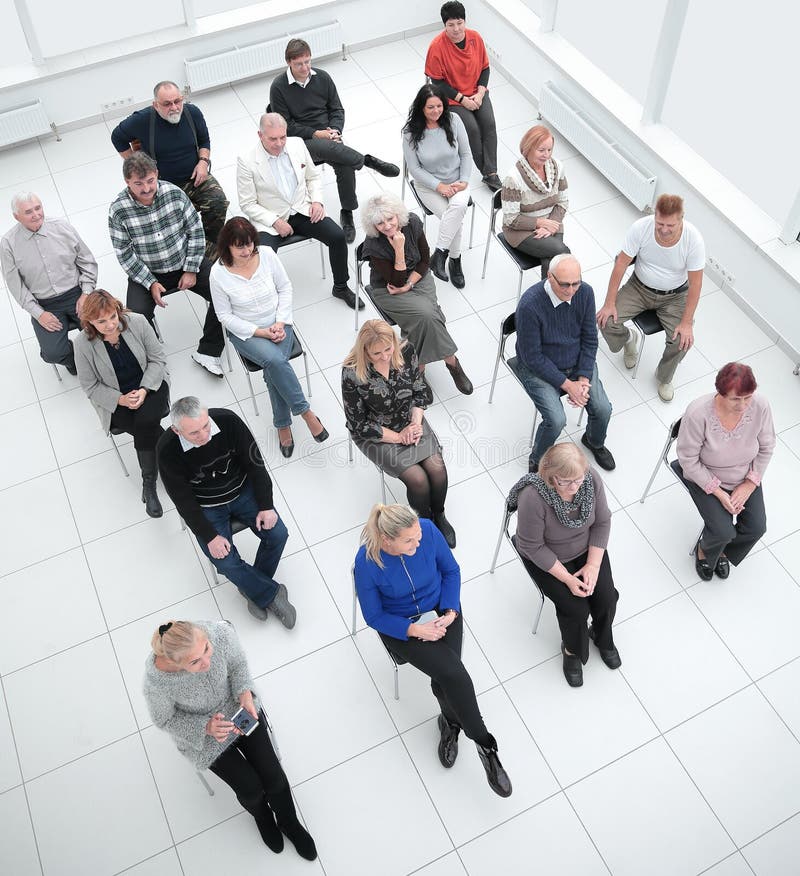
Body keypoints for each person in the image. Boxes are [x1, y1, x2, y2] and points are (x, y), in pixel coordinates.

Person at [355, 503, 512, 796]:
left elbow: (451, 570)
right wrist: (416, 630)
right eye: (410, 541)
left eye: (418, 536)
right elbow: (373, 616)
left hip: (443, 609)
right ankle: (485, 745)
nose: (419, 542)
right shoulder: (367, 563)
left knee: (445, 682)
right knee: (455, 675)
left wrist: (451, 612)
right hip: (403, 626)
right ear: (388, 540)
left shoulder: (426, 529)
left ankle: (450, 723)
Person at [143, 620, 316, 860]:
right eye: (195, 662)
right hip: (208, 735)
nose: (207, 661)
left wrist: (244, 691)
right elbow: (164, 720)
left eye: (206, 649)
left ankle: (288, 822)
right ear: (175, 663)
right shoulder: (157, 683)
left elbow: (237, 665)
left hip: (238, 708)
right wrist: (205, 726)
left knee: (273, 776)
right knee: (251, 788)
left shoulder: (220, 634)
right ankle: (263, 817)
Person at [157, 397, 297, 626]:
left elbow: (256, 464)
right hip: (206, 506)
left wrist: (265, 505)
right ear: (176, 430)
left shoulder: (228, 421)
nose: (203, 436)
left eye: (205, 426)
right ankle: (272, 593)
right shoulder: (167, 450)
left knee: (278, 534)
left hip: (243, 492)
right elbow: (183, 501)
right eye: (194, 433)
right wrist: (210, 536)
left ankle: (254, 589)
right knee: (224, 562)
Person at [210, 217, 328, 458]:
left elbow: (285, 288)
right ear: (227, 247)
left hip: (279, 324)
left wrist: (280, 321)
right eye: (239, 246)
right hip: (247, 333)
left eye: (250, 244)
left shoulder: (267, 254)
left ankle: (282, 424)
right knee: (275, 362)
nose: (247, 250)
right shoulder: (218, 274)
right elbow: (224, 316)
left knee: (273, 368)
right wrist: (260, 332)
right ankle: (305, 413)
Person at [269, 38, 399, 244]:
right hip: (301, 142)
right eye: (299, 64)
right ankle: (366, 161)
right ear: (289, 63)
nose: (305, 67)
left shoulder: (323, 78)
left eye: (307, 61)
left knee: (344, 164)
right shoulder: (278, 87)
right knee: (335, 151)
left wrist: (335, 130)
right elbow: (286, 126)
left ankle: (347, 212)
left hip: (328, 136)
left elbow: (337, 109)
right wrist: (316, 133)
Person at [512, 443, 620, 687]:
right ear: (550, 477)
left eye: (578, 479)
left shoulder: (590, 479)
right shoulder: (532, 497)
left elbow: (602, 521)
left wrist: (592, 565)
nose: (573, 488)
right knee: (576, 609)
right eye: (565, 482)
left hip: (586, 548)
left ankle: (602, 637)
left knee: (606, 598)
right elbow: (532, 547)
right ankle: (572, 650)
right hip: (549, 557)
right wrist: (569, 579)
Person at [108, 153, 225, 377]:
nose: (146, 189)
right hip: (148, 272)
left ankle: (209, 351)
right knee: (135, 319)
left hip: (186, 261)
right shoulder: (118, 210)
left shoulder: (175, 194)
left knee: (224, 293)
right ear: (127, 182)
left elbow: (196, 232)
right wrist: (150, 282)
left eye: (150, 181)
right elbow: (124, 253)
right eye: (138, 184)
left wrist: (191, 268)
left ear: (157, 175)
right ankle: (155, 361)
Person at [342, 320, 457, 547]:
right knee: (418, 480)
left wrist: (415, 424)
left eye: (388, 349)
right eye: (377, 353)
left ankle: (439, 515)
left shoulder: (406, 351)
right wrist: (398, 437)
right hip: (377, 433)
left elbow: (420, 390)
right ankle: (423, 524)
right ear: (364, 350)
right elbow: (358, 423)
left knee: (437, 468)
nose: (385, 356)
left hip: (409, 419)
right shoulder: (352, 374)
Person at [237, 112, 359, 310]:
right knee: (263, 258)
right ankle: (268, 304)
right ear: (260, 135)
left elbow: (313, 177)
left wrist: (317, 202)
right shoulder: (246, 160)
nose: (279, 143)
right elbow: (247, 203)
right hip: (271, 219)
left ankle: (341, 286)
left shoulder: (297, 144)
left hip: (303, 209)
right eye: (272, 139)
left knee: (337, 236)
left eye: (282, 137)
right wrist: (275, 221)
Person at [597, 193, 706, 403]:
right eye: (660, 224)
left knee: (682, 341)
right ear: (654, 216)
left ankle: (664, 377)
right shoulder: (641, 228)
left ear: (681, 219)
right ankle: (629, 340)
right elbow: (620, 264)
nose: (664, 230)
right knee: (606, 321)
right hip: (639, 287)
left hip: (674, 296)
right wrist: (609, 303)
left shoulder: (693, 240)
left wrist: (686, 322)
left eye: (670, 225)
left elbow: (696, 285)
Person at [360, 192, 473, 395]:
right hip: (389, 291)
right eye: (379, 223)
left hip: (418, 278)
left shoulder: (412, 222)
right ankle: (452, 362)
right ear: (373, 226)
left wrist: (410, 284)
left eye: (390, 219)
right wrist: (400, 249)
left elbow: (424, 260)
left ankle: (418, 370)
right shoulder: (373, 244)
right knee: (430, 315)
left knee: (426, 318)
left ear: (398, 215)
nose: (386, 226)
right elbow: (395, 281)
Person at [515, 254, 615, 473]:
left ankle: (594, 441)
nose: (571, 291)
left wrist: (583, 378)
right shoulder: (529, 305)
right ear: (550, 278)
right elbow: (532, 357)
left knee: (603, 408)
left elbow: (590, 338)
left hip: (575, 360)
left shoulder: (585, 292)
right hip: (537, 368)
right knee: (556, 419)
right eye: (565, 285)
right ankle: (538, 458)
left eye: (575, 283)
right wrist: (568, 386)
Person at [676, 362, 775, 581]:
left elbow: (767, 446)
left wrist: (749, 484)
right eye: (735, 399)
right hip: (705, 475)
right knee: (723, 531)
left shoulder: (761, 405)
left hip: (745, 475)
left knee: (757, 527)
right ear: (720, 393)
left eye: (747, 397)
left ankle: (722, 550)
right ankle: (705, 550)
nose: (743, 406)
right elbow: (688, 460)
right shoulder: (697, 413)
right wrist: (720, 493)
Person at [74, 290, 169, 518]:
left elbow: (158, 359)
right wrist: (121, 399)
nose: (109, 325)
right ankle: (175, 463)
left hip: (151, 386)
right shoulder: (82, 344)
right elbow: (90, 386)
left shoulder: (137, 322)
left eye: (113, 317)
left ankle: (149, 484)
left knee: (145, 422)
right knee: (147, 426)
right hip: (116, 400)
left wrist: (144, 390)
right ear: (89, 322)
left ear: (118, 311)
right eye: (101, 321)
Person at [111, 81, 229, 259]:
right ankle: (180, 249)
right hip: (161, 186)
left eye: (177, 101)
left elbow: (204, 140)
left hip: (194, 177)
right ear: (155, 105)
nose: (174, 107)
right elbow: (117, 136)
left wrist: (203, 162)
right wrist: (136, 163)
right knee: (165, 221)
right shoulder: (142, 120)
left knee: (218, 202)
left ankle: (209, 247)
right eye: (167, 104)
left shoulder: (192, 113)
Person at [1, 192, 97, 374]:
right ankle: (76, 360)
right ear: (16, 217)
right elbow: (16, 286)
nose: (36, 214)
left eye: (38, 208)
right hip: (45, 304)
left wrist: (86, 293)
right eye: (28, 212)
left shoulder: (61, 227)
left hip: (77, 293)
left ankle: (100, 359)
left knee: (103, 332)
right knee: (53, 353)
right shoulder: (7, 244)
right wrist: (39, 314)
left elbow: (87, 261)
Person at [425, 2, 501, 192]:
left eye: (459, 23)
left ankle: (491, 171)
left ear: (465, 21)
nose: (456, 29)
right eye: (451, 25)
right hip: (453, 99)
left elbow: (485, 68)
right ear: (444, 26)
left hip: (477, 93)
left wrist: (480, 93)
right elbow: (437, 82)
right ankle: (489, 173)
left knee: (489, 124)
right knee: (473, 130)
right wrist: (463, 100)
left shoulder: (476, 38)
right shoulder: (436, 47)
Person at [402, 83, 472, 288]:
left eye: (439, 106)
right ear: (421, 108)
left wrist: (465, 179)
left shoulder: (454, 120)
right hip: (428, 185)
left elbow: (466, 154)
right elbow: (415, 170)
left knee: (457, 208)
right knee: (455, 220)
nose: (436, 111)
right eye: (430, 107)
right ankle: (454, 260)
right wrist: (438, 186)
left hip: (458, 180)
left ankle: (441, 253)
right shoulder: (410, 133)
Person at [501, 124, 571, 279]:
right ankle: (557, 297)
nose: (546, 155)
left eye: (549, 150)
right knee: (562, 254)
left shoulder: (558, 167)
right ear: (528, 148)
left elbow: (563, 202)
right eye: (541, 150)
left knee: (551, 260)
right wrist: (540, 223)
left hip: (552, 223)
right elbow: (511, 219)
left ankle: (547, 299)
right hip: (520, 231)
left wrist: (550, 225)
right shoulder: (513, 179)